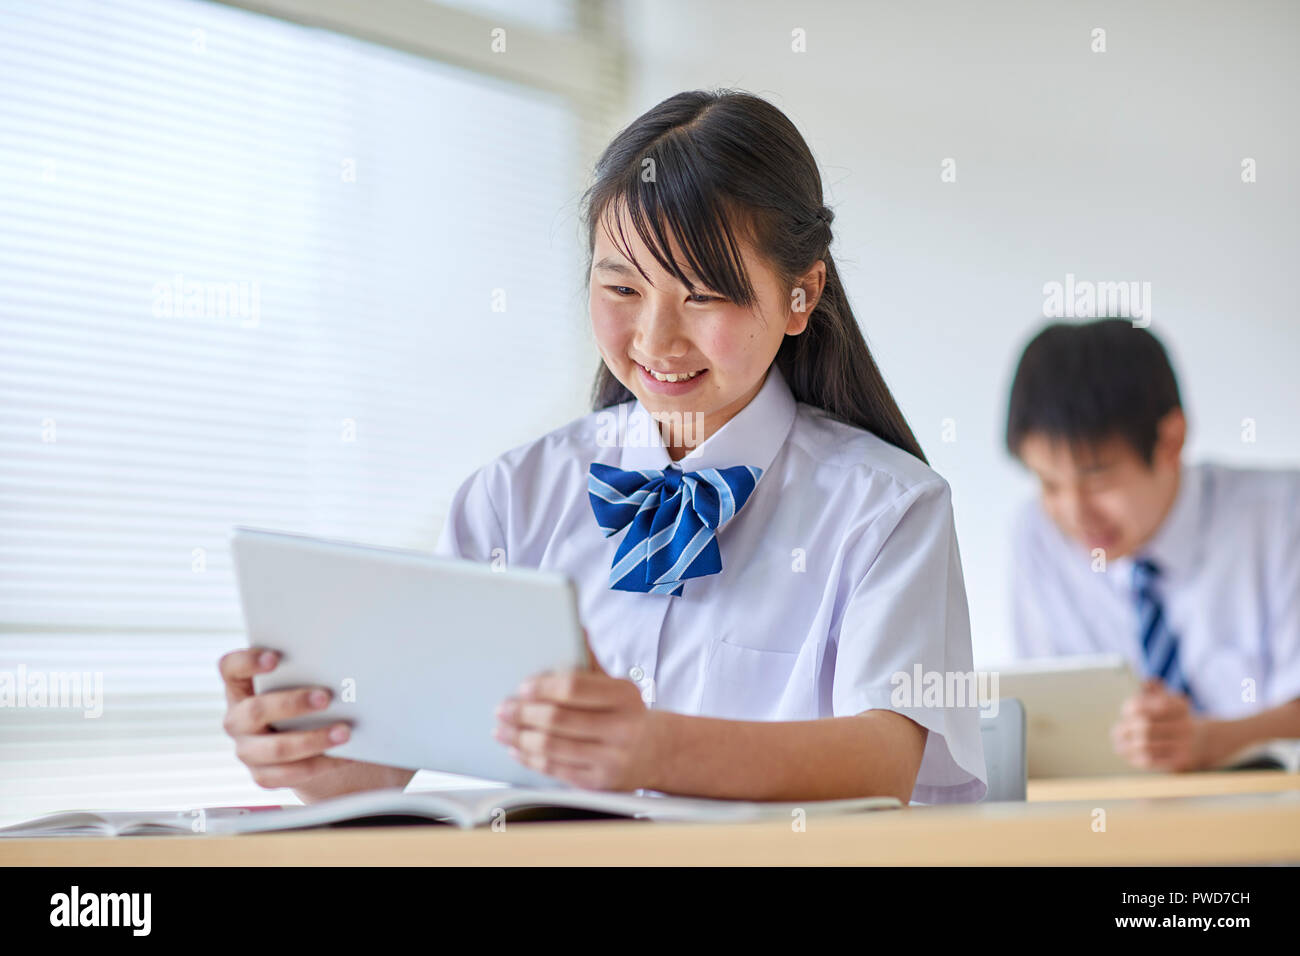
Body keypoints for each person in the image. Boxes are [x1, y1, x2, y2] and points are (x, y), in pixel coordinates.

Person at [220, 89, 987, 805]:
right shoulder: (512, 498)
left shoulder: (889, 509)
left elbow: (887, 756)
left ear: (801, 296)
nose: (655, 338)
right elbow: (404, 740)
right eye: (621, 289)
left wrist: (653, 749)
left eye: (703, 294)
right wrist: (309, 748)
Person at [1006, 318, 1300, 771]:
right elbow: (1044, 723)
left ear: (1170, 440)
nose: (1075, 513)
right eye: (1048, 483)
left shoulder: (1281, 517)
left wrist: (1210, 742)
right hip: (1113, 829)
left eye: (1097, 478)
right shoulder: (1038, 539)